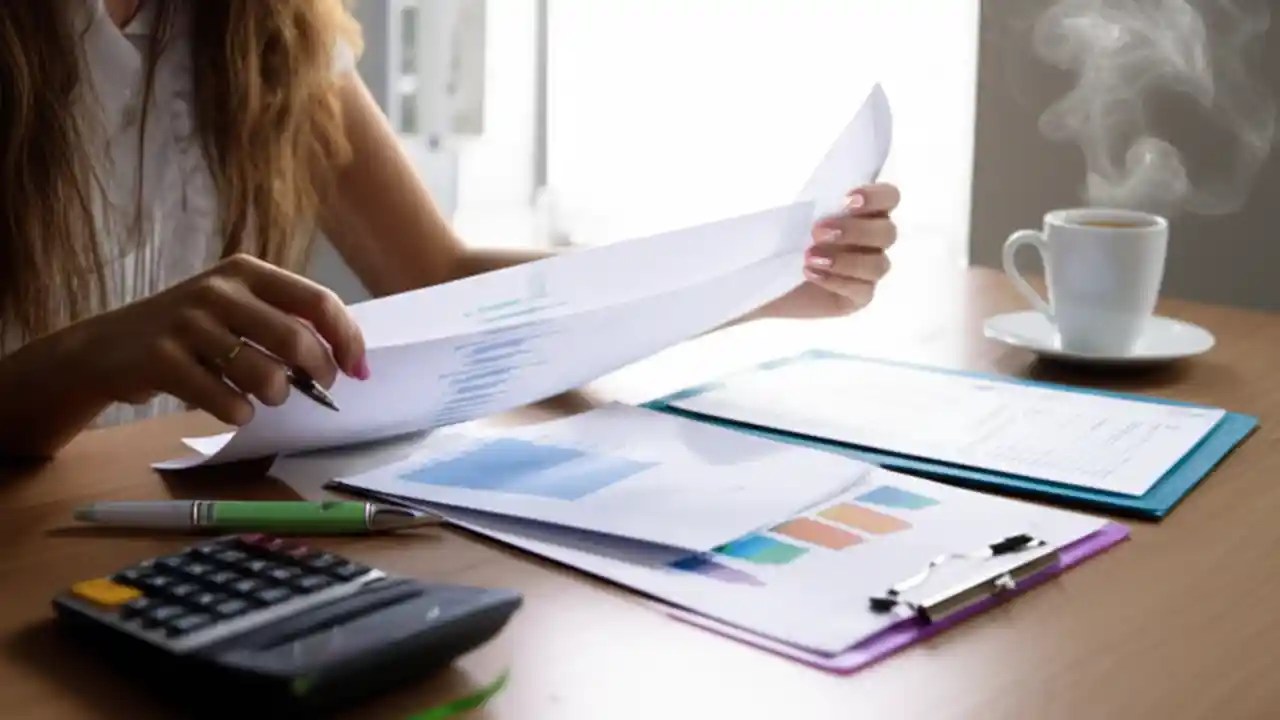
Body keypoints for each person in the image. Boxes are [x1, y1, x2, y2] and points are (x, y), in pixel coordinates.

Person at [0, 0, 901, 459]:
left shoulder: (265, 27)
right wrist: (93, 356)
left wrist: (758, 277)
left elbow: (439, 270)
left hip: (166, 532)